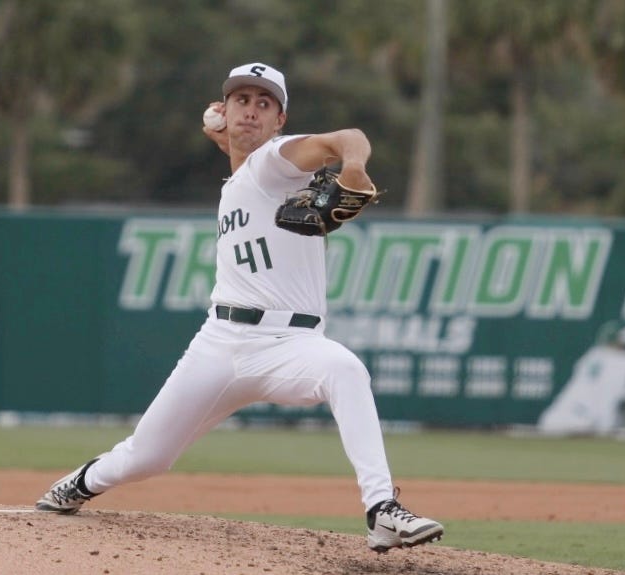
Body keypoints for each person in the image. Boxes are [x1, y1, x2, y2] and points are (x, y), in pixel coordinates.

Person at [35, 62, 444, 553]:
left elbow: (348, 137)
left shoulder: (276, 159)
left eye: (264, 104)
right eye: (241, 101)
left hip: (291, 345)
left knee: (346, 370)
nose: (252, 111)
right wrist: (220, 131)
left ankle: (382, 509)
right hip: (220, 343)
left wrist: (352, 167)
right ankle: (79, 483)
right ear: (225, 110)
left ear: (280, 121)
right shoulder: (239, 178)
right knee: (146, 458)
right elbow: (236, 150)